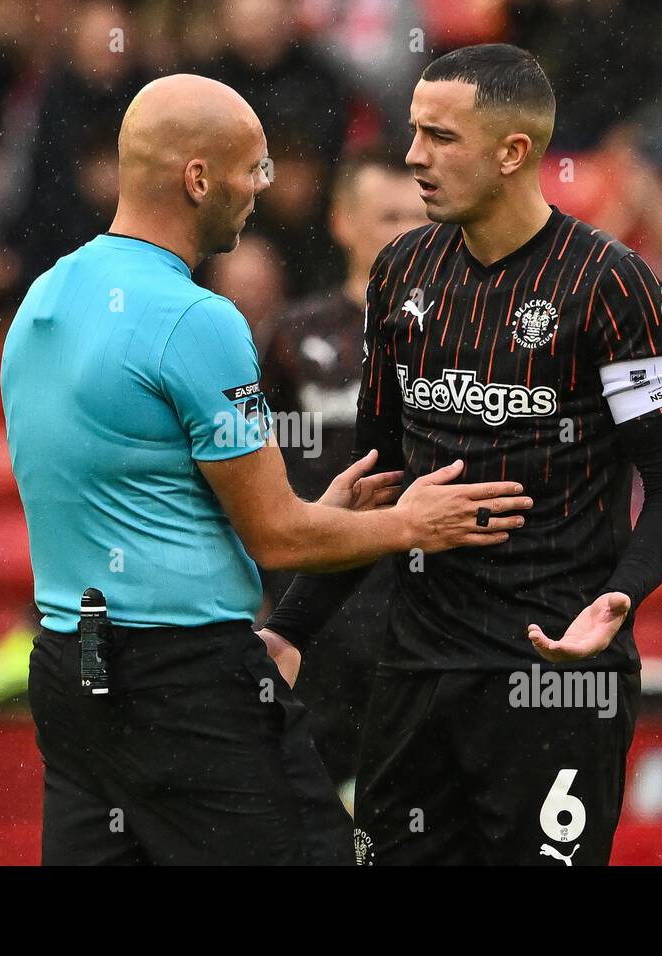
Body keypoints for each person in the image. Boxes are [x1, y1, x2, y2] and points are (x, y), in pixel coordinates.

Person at [2, 73, 530, 866]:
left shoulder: (48, 293)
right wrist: (408, 524)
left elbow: (130, 485)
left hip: (72, 667)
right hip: (187, 681)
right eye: (252, 167)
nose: (260, 188)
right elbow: (278, 537)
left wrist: (332, 511)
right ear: (197, 178)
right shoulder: (198, 319)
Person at [263, 44, 662, 865]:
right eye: (412, 132)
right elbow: (377, 488)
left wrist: (617, 600)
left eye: (440, 137)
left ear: (513, 152)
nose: (412, 157)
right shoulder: (399, 274)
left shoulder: (613, 284)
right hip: (416, 676)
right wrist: (292, 630)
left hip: (556, 679)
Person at [260, 144, 427, 789]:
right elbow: (243, 461)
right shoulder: (290, 337)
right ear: (341, 222)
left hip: (424, 605)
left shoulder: (468, 333)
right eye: (387, 216)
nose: (406, 233)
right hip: (318, 600)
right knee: (316, 805)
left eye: (418, 216)